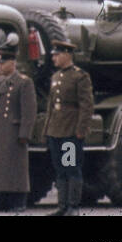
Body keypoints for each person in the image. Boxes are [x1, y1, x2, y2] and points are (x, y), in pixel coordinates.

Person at [0, 43, 37, 212]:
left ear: (12, 63)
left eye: (2, 62)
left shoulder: (23, 82)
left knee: (16, 168)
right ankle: (2, 202)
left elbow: (29, 110)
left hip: (14, 131)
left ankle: (18, 202)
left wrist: (25, 133)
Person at [45, 36, 94, 216]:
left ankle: (73, 206)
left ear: (67, 55)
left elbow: (86, 105)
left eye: (57, 55)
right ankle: (62, 205)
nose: (54, 58)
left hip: (70, 131)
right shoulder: (56, 77)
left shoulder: (79, 76)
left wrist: (80, 130)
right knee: (60, 170)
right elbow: (51, 106)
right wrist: (47, 130)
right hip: (56, 131)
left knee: (71, 167)